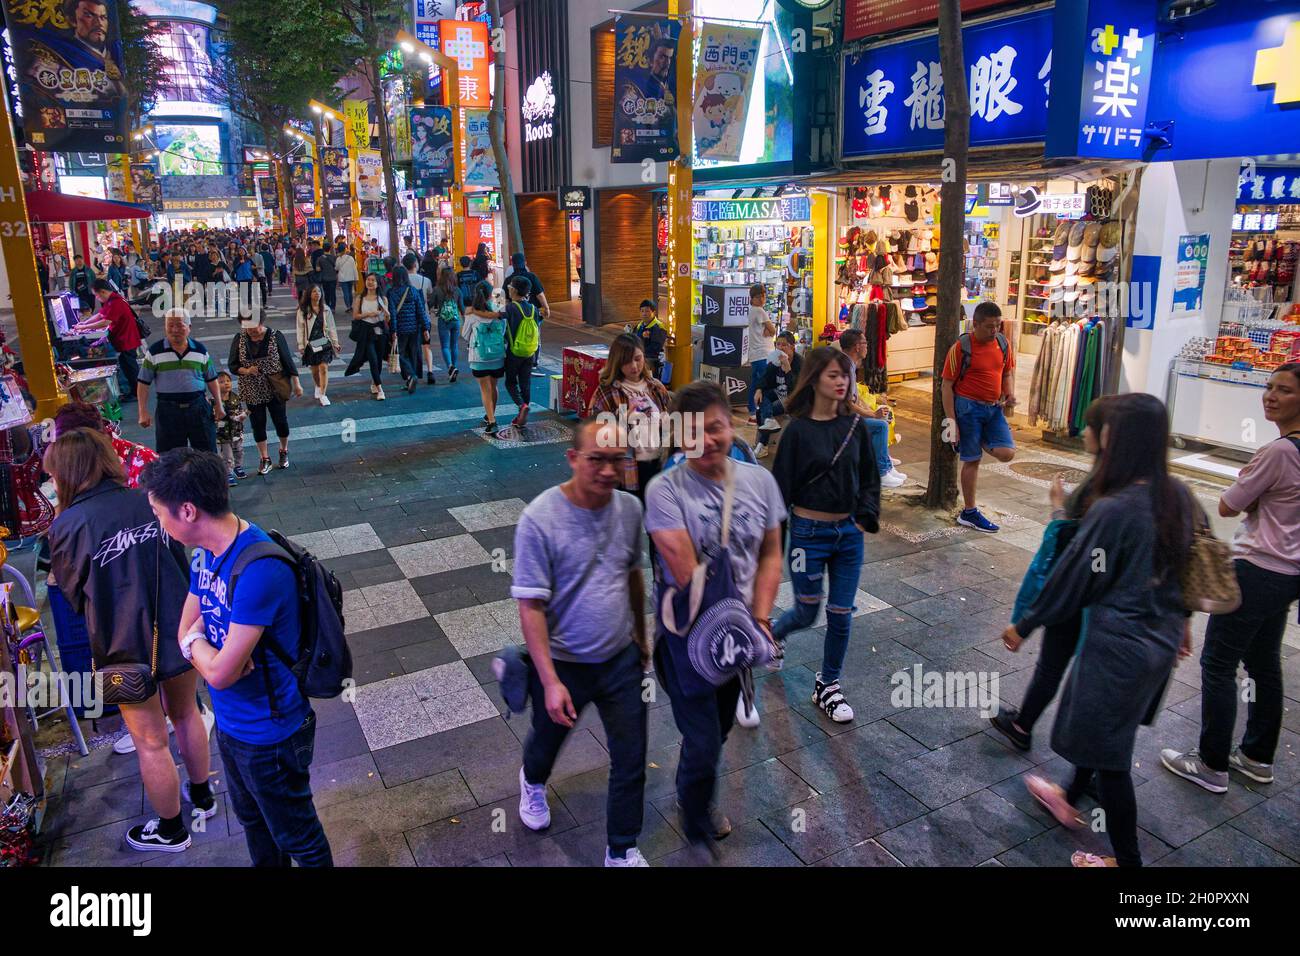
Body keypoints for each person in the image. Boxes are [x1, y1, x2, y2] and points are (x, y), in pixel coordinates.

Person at [1006, 393, 1194, 868]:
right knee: (1108, 733)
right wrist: (1185, 622)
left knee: (1112, 759)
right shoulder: (1179, 496)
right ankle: (1067, 795)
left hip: (1119, 648)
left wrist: (1026, 623)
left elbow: (1072, 578)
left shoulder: (1115, 508)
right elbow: (1191, 567)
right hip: (1160, 641)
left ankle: (1125, 863)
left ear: (1121, 438)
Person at [143, 449, 333, 868]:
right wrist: (205, 651)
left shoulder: (258, 569)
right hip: (231, 726)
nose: (159, 523)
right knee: (254, 823)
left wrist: (203, 651)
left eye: (160, 513)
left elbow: (222, 672)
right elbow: (183, 633)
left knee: (298, 837)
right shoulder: (203, 554)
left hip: (272, 734)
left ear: (188, 510)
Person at [46, 428, 214, 853]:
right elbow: (183, 554)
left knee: (150, 741)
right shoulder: (148, 498)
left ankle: (172, 829)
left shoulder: (67, 525)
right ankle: (203, 797)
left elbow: (70, 594)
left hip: (121, 647)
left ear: (65, 474)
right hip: (180, 629)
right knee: (188, 715)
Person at [645, 381, 785, 854]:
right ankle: (695, 810)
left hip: (741, 636)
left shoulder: (761, 482)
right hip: (686, 636)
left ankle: (693, 775)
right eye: (695, 432)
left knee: (717, 731)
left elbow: (771, 553)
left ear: (733, 425)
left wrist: (761, 621)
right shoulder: (663, 491)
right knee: (705, 739)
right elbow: (687, 573)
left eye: (717, 428)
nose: (708, 440)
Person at [511, 419, 650, 866]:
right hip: (563, 663)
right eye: (597, 459)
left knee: (631, 757)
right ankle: (531, 782)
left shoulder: (630, 510)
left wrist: (641, 638)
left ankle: (621, 850)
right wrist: (549, 681)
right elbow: (530, 606)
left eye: (617, 460)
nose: (608, 471)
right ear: (573, 459)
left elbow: (632, 574)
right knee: (546, 743)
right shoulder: (540, 518)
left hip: (620, 661)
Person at [1161, 362, 1300, 793]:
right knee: (1262, 663)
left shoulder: (1278, 453)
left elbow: (1226, 506)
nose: (1270, 396)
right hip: (1289, 574)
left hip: (1257, 568)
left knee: (1218, 664)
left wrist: (1250, 489)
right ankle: (1257, 756)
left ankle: (1211, 763)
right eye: (1269, 386)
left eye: (1284, 390)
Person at [989, 396, 1119, 751]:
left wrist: (1060, 509)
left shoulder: (1106, 490)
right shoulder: (1122, 482)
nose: (1086, 430)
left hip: (1083, 599)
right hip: (1093, 599)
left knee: (1058, 661)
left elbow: (1076, 552)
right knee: (1058, 661)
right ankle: (1023, 725)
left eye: (1091, 425)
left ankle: (1075, 763)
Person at [770, 347, 880, 723]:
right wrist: (773, 541)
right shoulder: (797, 431)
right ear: (815, 378)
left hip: (848, 535)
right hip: (807, 534)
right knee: (805, 609)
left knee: (841, 614)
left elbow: (870, 477)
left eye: (845, 375)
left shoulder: (855, 427)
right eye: (833, 374)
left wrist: (864, 519)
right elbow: (779, 491)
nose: (841, 381)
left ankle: (828, 685)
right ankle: (775, 632)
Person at [941, 301, 1016, 533]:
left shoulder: (1003, 343)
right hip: (968, 408)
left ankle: (975, 439)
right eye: (990, 327)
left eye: (998, 325)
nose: (995, 331)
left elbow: (1007, 371)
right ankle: (970, 511)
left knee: (1007, 453)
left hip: (993, 408)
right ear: (976, 324)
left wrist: (1010, 393)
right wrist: (952, 422)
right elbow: (946, 386)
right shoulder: (962, 347)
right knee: (972, 459)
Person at [587, 332, 671, 501]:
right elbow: (592, 433)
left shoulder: (656, 387)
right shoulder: (607, 392)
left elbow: (670, 421)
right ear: (617, 363)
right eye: (626, 361)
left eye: (638, 359)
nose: (634, 366)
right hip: (628, 469)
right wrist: (620, 419)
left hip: (659, 463)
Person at [137, 308, 224, 454]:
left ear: (189, 328)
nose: (174, 329)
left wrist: (219, 405)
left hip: (198, 407)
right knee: (170, 456)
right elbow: (143, 383)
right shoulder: (154, 352)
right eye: (170, 325)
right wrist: (142, 411)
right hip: (168, 410)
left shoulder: (200, 350)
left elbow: (212, 379)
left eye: (179, 325)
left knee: (207, 452)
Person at [229, 310, 302, 474]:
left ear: (261, 321)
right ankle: (265, 458)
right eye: (246, 327)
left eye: (254, 326)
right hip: (251, 388)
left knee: (281, 422)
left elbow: (288, 361)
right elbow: (232, 365)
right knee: (258, 424)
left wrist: (296, 384)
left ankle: (283, 451)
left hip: (275, 387)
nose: (251, 331)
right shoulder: (239, 338)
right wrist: (247, 371)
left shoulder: (276, 336)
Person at [74, 278, 142, 399]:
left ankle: (137, 392)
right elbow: (101, 314)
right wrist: (84, 325)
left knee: (130, 368)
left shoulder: (115, 302)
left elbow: (105, 322)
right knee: (127, 366)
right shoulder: (112, 300)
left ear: (102, 292)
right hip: (124, 339)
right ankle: (134, 391)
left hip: (126, 339)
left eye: (96, 295)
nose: (97, 298)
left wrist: (84, 328)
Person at [462, 280, 505, 433]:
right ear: (490, 294)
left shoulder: (472, 313)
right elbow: (504, 330)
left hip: (479, 357)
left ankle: (492, 420)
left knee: (485, 389)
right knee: (494, 386)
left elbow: (465, 335)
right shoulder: (499, 308)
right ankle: (490, 415)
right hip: (498, 355)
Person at [503, 275, 542, 431]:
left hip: (514, 352)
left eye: (510, 287)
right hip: (530, 352)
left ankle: (521, 405)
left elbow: (502, 326)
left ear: (514, 290)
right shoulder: (533, 308)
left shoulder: (510, 308)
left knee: (510, 382)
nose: (508, 289)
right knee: (525, 382)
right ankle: (522, 412)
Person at [753, 330, 800, 460]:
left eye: (784, 345)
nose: (780, 348)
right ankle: (768, 421)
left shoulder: (799, 362)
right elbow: (764, 377)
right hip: (778, 393)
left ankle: (763, 444)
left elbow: (796, 389)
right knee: (763, 396)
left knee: (767, 410)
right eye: (778, 344)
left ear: (792, 347)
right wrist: (758, 389)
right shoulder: (775, 360)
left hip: (792, 398)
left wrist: (788, 370)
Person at [346, 272, 390, 401]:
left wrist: (387, 313)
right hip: (366, 332)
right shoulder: (360, 297)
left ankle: (374, 382)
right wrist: (369, 314)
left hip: (380, 331)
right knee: (372, 358)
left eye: (373, 280)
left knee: (379, 358)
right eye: (368, 280)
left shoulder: (382, 299)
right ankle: (380, 388)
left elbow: (387, 319)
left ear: (377, 284)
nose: (370, 282)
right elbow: (355, 316)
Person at [387, 265, 430, 394]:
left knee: (400, 354)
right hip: (414, 328)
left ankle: (411, 375)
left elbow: (393, 314)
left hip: (400, 329)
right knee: (413, 353)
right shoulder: (413, 290)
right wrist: (425, 328)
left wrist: (393, 330)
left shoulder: (392, 292)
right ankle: (410, 379)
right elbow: (421, 311)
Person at [295, 284, 340, 407]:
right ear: (309, 294)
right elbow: (300, 328)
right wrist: (301, 345)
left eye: (319, 291)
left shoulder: (326, 309)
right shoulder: (303, 310)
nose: (317, 294)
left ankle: (323, 394)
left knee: (323, 368)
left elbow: (331, 327)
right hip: (310, 344)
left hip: (324, 342)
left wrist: (335, 342)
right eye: (314, 291)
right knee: (314, 370)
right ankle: (318, 385)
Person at [745, 283, 776, 422]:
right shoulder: (759, 311)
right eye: (760, 296)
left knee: (756, 382)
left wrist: (767, 329)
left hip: (757, 353)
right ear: (753, 298)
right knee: (762, 383)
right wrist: (768, 329)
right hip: (762, 353)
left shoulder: (753, 311)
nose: (763, 299)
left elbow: (769, 330)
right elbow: (773, 330)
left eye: (764, 295)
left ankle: (753, 409)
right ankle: (756, 412)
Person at [404, 254, 436, 383]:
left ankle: (412, 374)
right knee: (426, 346)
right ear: (416, 264)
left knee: (411, 347)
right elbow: (429, 295)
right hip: (424, 316)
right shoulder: (425, 280)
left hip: (410, 318)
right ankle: (430, 371)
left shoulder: (403, 281)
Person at [432, 266, 464, 384]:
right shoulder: (457, 290)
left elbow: (430, 303)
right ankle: (454, 367)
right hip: (455, 320)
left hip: (443, 320)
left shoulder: (437, 289)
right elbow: (462, 309)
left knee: (445, 346)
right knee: (454, 345)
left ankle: (450, 367)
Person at [215, 371, 248, 484]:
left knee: (238, 450)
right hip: (222, 433)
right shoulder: (214, 400)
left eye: (228, 381)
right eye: (222, 382)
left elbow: (240, 410)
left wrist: (243, 414)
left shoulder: (235, 397)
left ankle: (237, 466)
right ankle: (227, 472)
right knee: (227, 455)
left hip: (236, 430)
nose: (226, 384)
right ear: (215, 384)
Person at [632, 299, 667, 379]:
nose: (644, 314)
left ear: (653, 312)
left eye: (647, 311)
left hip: (652, 357)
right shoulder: (639, 325)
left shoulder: (658, 327)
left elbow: (655, 348)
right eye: (642, 311)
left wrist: (639, 354)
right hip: (640, 354)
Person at [507, 251, 550, 317]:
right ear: (525, 263)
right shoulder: (532, 276)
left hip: (515, 315)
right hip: (533, 313)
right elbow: (540, 295)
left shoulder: (508, 280)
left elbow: (504, 299)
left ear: (512, 264)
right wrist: (546, 308)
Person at [336, 245, 358, 312]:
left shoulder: (338, 259)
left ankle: (348, 307)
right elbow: (354, 268)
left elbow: (336, 268)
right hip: (350, 277)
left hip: (342, 279)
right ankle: (351, 306)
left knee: (345, 293)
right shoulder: (350, 258)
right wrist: (356, 278)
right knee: (350, 292)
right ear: (345, 250)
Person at [317, 244, 338, 311]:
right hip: (333, 278)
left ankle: (328, 305)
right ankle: (333, 307)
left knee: (326, 293)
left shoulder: (320, 258)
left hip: (324, 278)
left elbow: (318, 269)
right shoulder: (334, 257)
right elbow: (337, 268)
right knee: (333, 293)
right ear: (330, 249)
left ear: (323, 249)